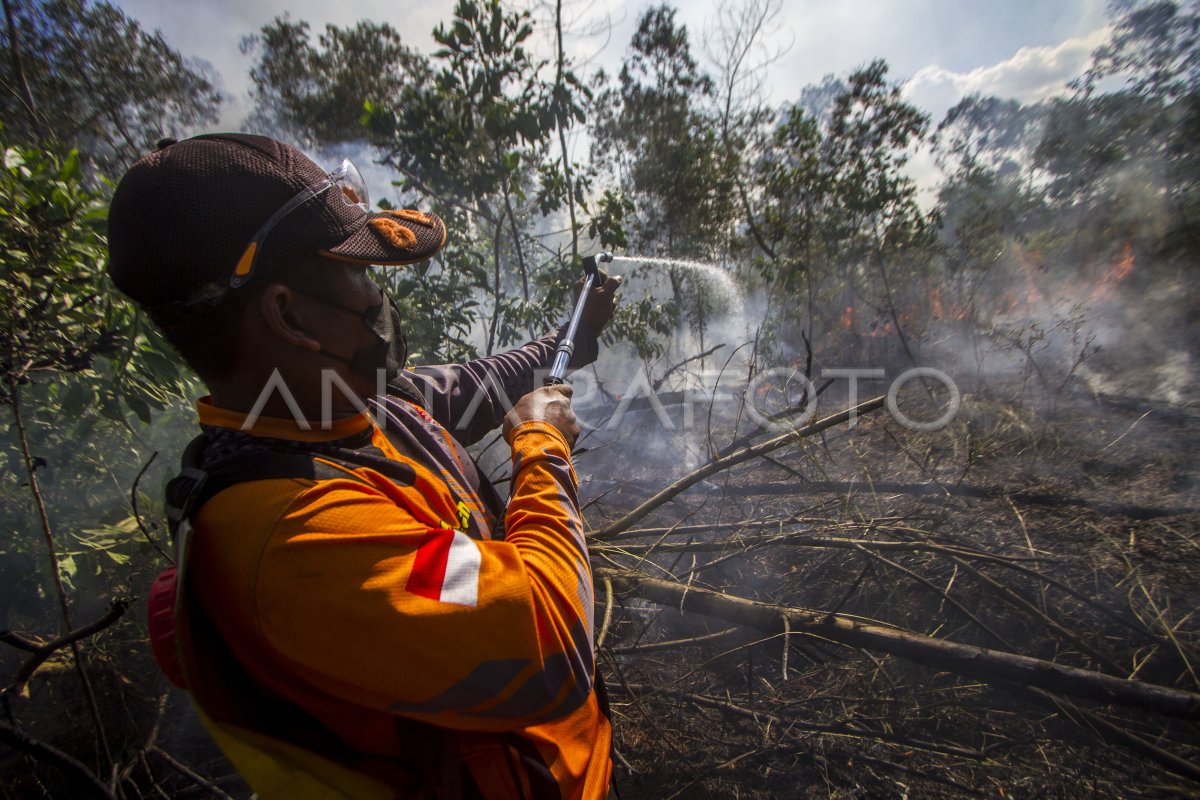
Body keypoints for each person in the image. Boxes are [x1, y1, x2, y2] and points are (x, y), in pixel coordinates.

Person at [106, 133, 622, 799]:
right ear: (289, 314)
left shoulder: (346, 407)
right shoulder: (301, 536)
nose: (378, 296)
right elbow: (548, 637)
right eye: (358, 272)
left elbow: (478, 382)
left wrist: (570, 338)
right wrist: (543, 453)